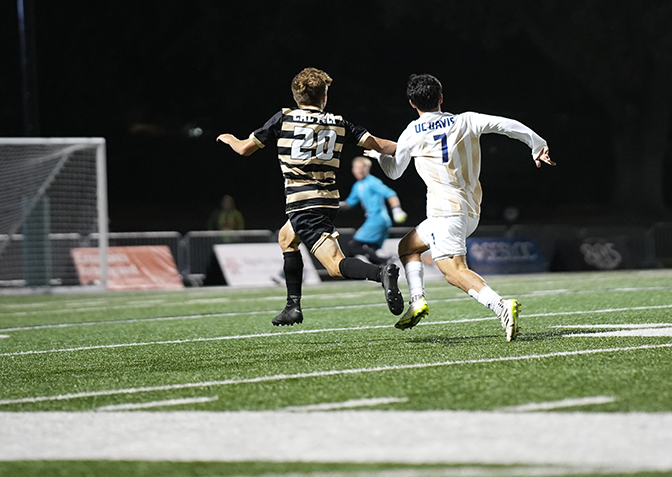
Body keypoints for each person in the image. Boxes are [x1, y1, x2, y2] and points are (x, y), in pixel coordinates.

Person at [373, 73, 554, 340]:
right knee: (408, 247)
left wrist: (379, 155)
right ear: (441, 98)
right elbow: (507, 125)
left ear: (412, 103)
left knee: (454, 271)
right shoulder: (465, 120)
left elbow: (394, 172)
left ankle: (501, 306)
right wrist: (537, 145)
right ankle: (417, 301)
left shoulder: (412, 132)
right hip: (470, 210)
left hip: (445, 212)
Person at [217, 67, 404, 326]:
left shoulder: (284, 118)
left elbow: (244, 149)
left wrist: (229, 139)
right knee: (286, 238)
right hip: (326, 200)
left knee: (335, 266)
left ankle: (380, 272)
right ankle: (292, 306)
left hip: (304, 204)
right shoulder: (339, 122)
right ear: (324, 97)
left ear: (295, 96)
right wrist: (414, 147)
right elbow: (381, 145)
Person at [340, 156, 408, 262]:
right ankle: (383, 267)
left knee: (354, 246)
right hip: (378, 221)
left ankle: (386, 259)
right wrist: (334, 204)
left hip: (377, 220)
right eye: (356, 167)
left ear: (367, 169)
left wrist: (396, 210)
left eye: (361, 167)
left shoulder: (372, 182)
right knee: (371, 251)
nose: (358, 170)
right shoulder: (357, 185)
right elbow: (349, 203)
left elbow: (390, 194)